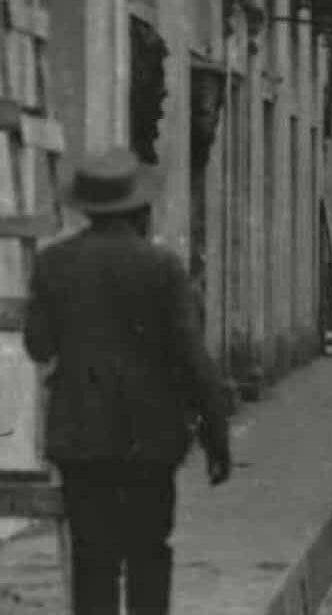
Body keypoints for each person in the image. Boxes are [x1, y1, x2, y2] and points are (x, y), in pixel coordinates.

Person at [22, 149, 231, 615]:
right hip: (150, 443)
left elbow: (39, 346)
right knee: (148, 555)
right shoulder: (163, 267)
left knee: (92, 562)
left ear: (86, 207)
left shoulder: (54, 264)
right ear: (138, 208)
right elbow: (193, 359)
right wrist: (216, 436)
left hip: (81, 439)